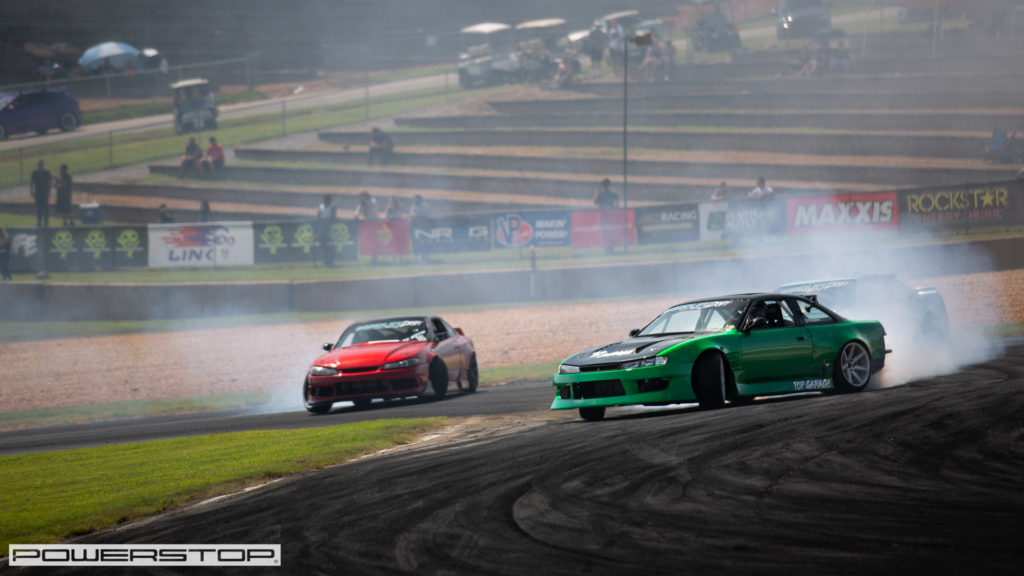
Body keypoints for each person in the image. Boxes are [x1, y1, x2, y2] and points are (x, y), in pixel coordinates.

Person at [316, 194, 337, 267]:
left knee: (330, 246)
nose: (326, 201)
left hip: (330, 229)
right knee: (323, 246)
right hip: (322, 229)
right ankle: (325, 261)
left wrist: (327, 221)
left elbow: (333, 217)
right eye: (325, 199)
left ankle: (331, 261)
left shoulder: (332, 207)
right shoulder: (321, 206)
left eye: (328, 199)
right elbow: (318, 216)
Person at [31, 159, 52, 228]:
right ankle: (39, 222)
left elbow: (49, 182)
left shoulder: (46, 172)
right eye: (38, 164)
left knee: (45, 208)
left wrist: (49, 191)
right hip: (38, 192)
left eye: (40, 164)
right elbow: (32, 182)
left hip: (44, 192)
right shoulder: (35, 172)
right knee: (39, 208)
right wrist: (31, 191)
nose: (39, 165)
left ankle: (46, 222)